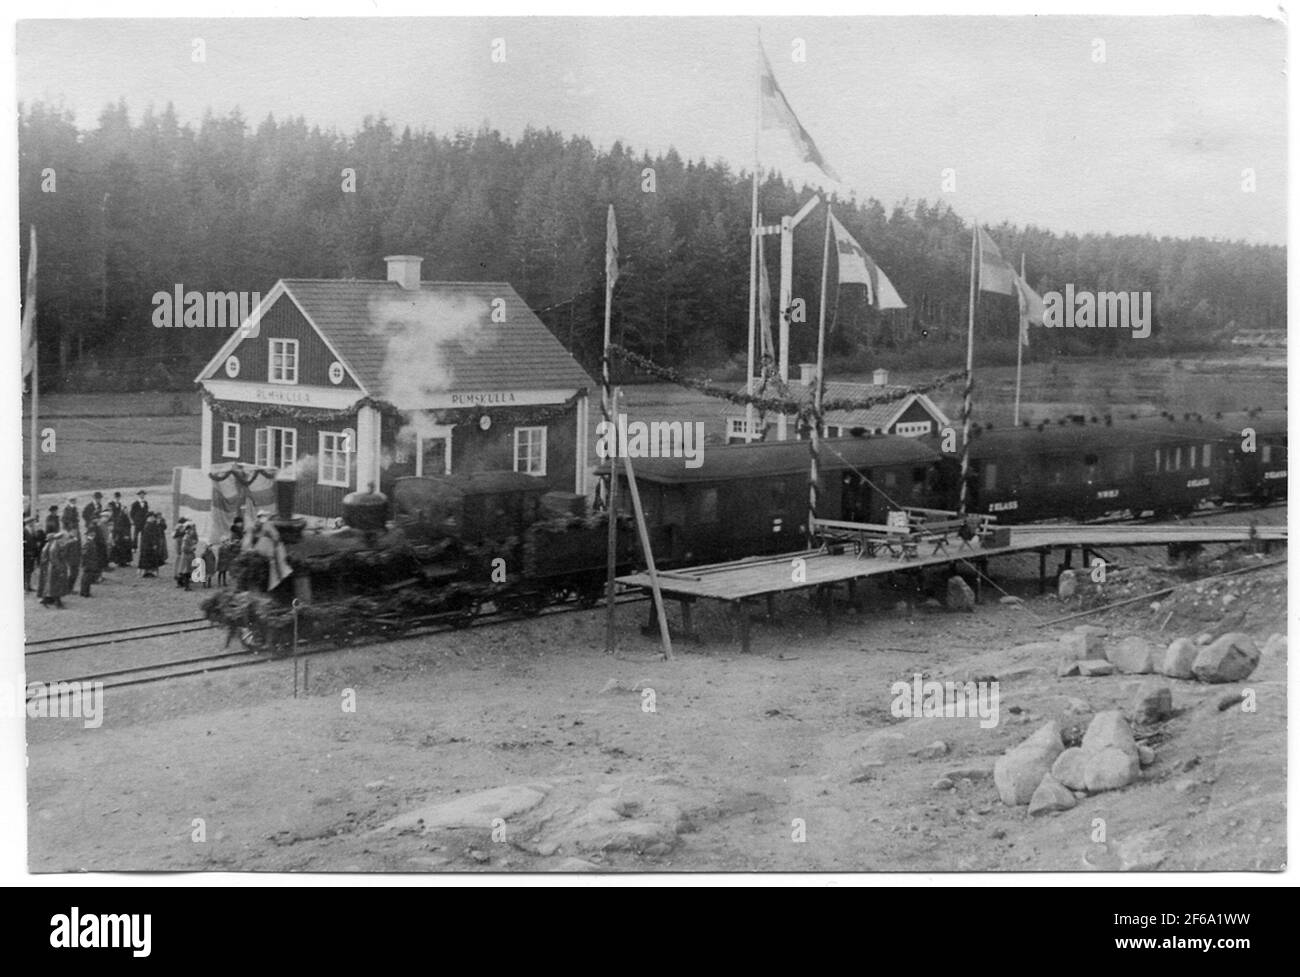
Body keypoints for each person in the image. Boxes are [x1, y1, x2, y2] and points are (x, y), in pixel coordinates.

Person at [37, 531, 74, 609]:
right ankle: (58, 603)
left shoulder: (57, 545)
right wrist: (61, 568)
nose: (65, 540)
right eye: (64, 538)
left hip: (56, 567)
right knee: (56, 585)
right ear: (60, 538)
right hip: (55, 568)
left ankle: (48, 600)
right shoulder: (55, 546)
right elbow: (54, 559)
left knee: (55, 585)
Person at [137, 512, 168, 578]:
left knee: (149, 559)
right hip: (148, 546)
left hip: (148, 545)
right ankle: (147, 572)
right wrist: (154, 544)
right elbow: (151, 536)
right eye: (152, 517)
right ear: (149, 518)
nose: (153, 518)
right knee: (149, 559)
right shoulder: (148, 525)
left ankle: (148, 572)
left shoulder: (150, 524)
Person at [79, 519, 105, 598]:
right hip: (88, 564)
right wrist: (87, 562)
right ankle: (85, 592)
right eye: (92, 534)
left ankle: (84, 592)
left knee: (87, 578)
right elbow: (84, 554)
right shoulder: (88, 543)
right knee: (86, 578)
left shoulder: (90, 542)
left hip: (89, 563)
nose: (93, 535)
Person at [175, 523, 198, 590]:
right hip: (187, 557)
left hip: (188, 556)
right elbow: (184, 548)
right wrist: (192, 548)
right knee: (186, 572)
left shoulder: (188, 537)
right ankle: (186, 586)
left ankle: (181, 583)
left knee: (185, 571)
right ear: (188, 530)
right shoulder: (186, 538)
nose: (192, 531)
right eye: (191, 530)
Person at [23, 516, 43, 592]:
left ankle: (28, 586)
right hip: (26, 553)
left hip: (32, 553)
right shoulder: (24, 531)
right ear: (29, 523)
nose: (33, 523)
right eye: (32, 522)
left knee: (30, 570)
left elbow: (36, 539)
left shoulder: (32, 530)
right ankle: (25, 587)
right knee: (26, 570)